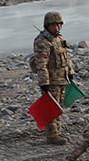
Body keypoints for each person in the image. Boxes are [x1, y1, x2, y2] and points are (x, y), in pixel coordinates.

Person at [30, 11, 75, 143]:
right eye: (54, 25)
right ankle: (52, 135)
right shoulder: (42, 42)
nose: (57, 28)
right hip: (51, 81)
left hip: (62, 78)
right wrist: (44, 83)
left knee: (59, 107)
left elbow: (66, 57)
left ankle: (58, 131)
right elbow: (41, 64)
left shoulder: (59, 38)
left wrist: (70, 72)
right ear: (47, 26)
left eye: (59, 25)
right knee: (51, 108)